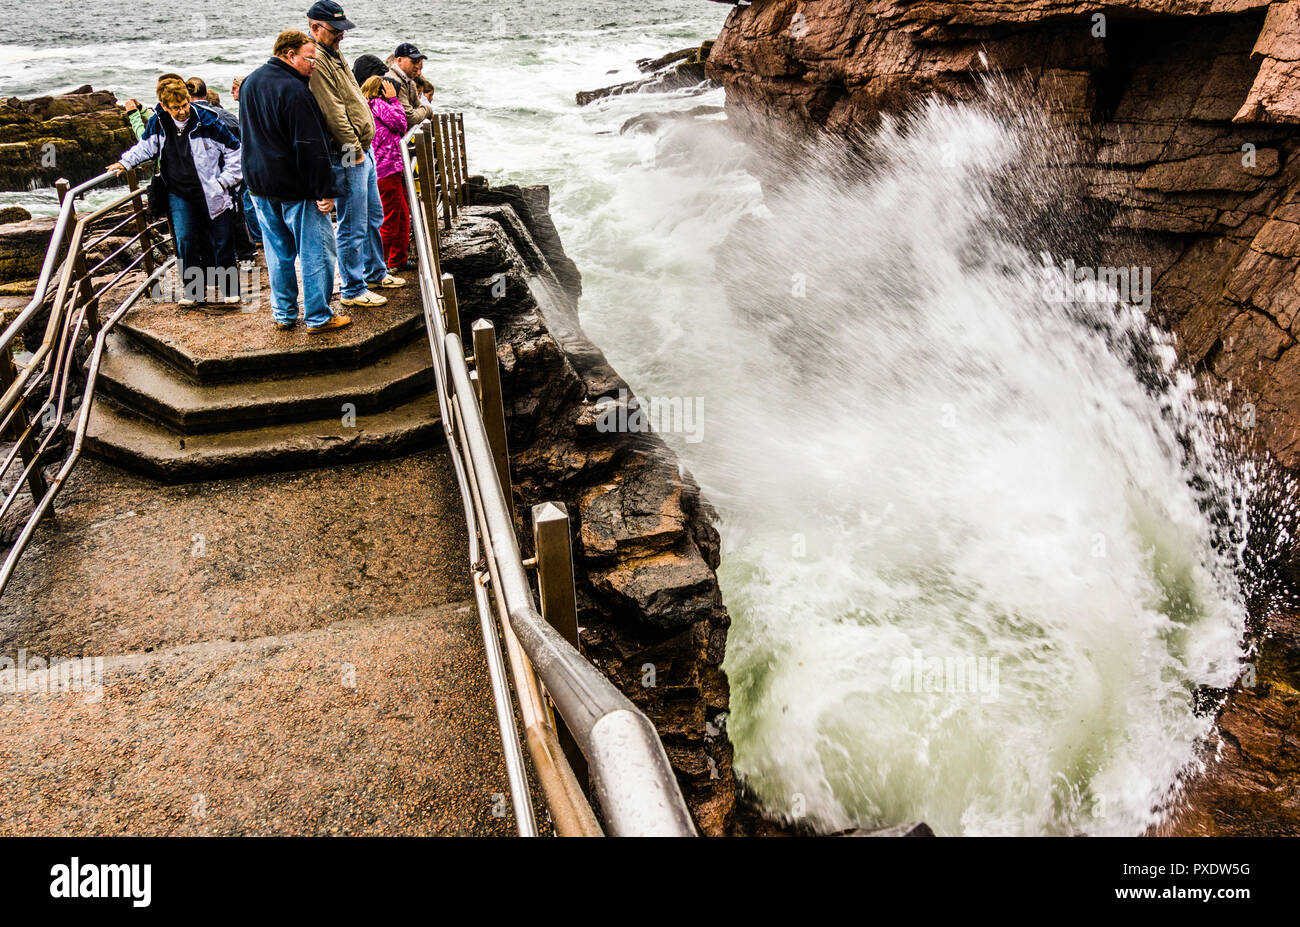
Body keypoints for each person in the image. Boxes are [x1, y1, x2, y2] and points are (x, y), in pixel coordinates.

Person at [239, 29, 349, 333]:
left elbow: (248, 135)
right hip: (296, 188)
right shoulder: (296, 90)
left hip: (259, 185)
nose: (314, 65)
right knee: (316, 252)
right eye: (309, 59)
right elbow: (310, 146)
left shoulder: (249, 83)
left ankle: (284, 314)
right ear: (290, 55)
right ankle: (318, 317)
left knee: (277, 253)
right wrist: (325, 190)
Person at [107, 74, 242, 307]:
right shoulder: (158, 122)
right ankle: (193, 291)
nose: (182, 111)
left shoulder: (209, 121)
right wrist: (125, 162)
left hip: (212, 190)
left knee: (221, 240)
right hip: (179, 192)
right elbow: (146, 147)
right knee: (185, 240)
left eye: (185, 104)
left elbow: (235, 152)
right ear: (163, 106)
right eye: (176, 107)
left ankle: (230, 289)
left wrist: (224, 181)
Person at [306, 0, 403, 310]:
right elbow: (332, 110)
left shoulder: (335, 53)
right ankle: (352, 287)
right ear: (314, 28)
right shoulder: (319, 61)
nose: (341, 36)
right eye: (336, 31)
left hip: (363, 148)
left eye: (342, 31)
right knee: (352, 223)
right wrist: (353, 149)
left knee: (374, 215)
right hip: (349, 153)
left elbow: (351, 99)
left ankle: (376, 272)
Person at [188, 75, 260, 256]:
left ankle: (223, 256)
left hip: (209, 175)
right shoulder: (227, 115)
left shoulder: (191, 119)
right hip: (236, 170)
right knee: (238, 211)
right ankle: (245, 252)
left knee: (211, 219)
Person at [361, 76, 410, 274]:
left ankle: (396, 259)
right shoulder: (379, 105)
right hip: (386, 169)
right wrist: (394, 100)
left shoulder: (369, 106)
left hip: (386, 168)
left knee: (401, 215)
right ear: (382, 91)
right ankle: (381, 266)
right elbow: (401, 124)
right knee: (390, 218)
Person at [386, 43, 432, 129]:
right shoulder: (394, 81)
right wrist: (428, 110)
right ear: (399, 60)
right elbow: (410, 117)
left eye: (418, 62)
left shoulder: (409, 81)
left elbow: (418, 106)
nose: (417, 66)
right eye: (413, 62)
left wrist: (422, 110)